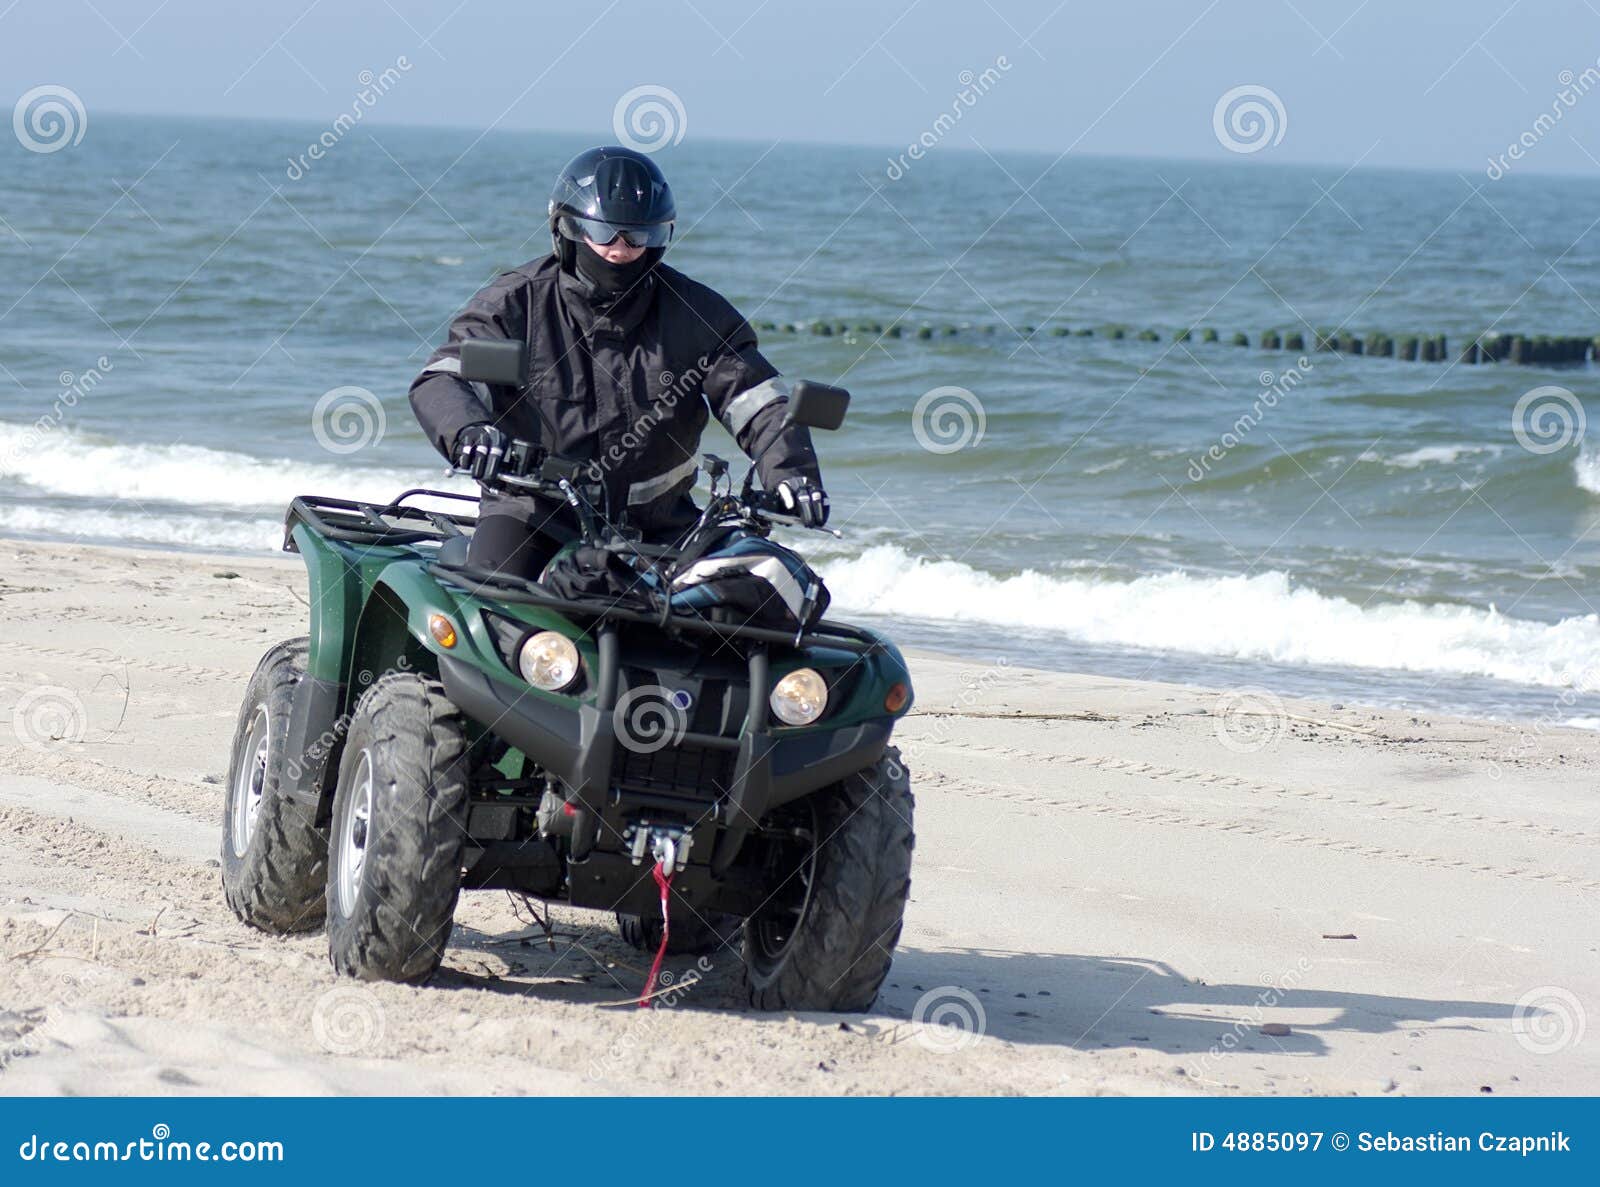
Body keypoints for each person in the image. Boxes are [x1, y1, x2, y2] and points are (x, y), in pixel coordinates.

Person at [409, 145, 829, 580]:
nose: (619, 250)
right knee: (490, 603)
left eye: (636, 236)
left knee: (738, 610)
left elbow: (757, 400)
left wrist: (792, 476)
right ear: (569, 229)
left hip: (660, 525)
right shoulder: (517, 303)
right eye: (604, 233)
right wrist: (470, 432)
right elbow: (443, 379)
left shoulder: (698, 315)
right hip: (535, 513)